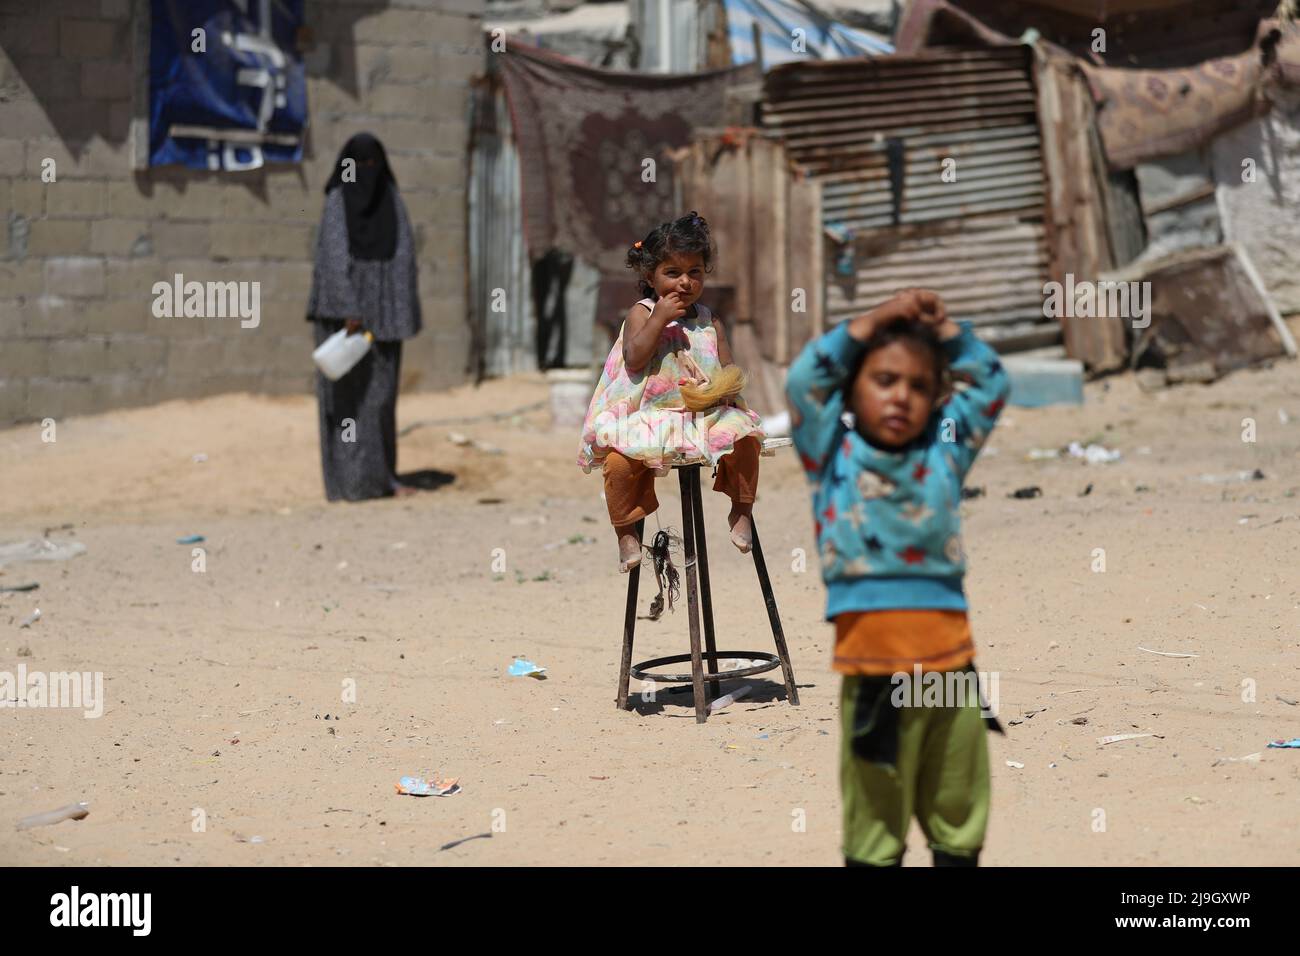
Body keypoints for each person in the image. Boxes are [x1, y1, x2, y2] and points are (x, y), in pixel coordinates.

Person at [785, 289, 1010, 867]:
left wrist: (947, 333)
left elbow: (989, 384)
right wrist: (878, 319)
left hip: (950, 672)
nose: (900, 397)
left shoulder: (944, 449)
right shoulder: (832, 451)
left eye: (917, 386)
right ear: (852, 390)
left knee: (957, 806)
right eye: (884, 380)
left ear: (935, 398)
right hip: (873, 676)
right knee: (876, 817)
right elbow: (804, 379)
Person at [577, 211, 765, 570]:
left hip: (702, 416)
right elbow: (634, 359)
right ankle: (626, 530)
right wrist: (660, 319)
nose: (685, 283)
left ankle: (741, 508)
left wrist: (722, 388)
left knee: (745, 438)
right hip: (648, 416)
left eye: (694, 272)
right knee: (619, 463)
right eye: (673, 273)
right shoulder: (642, 312)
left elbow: (728, 369)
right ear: (650, 276)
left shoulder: (709, 320)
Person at [307, 133, 421, 501]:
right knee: (346, 404)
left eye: (374, 164)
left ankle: (383, 478)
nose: (367, 173)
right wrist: (348, 309)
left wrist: (397, 314)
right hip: (345, 320)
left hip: (385, 321)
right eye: (360, 165)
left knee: (381, 401)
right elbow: (332, 259)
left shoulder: (392, 200)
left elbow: (404, 259)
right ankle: (349, 485)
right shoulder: (338, 202)